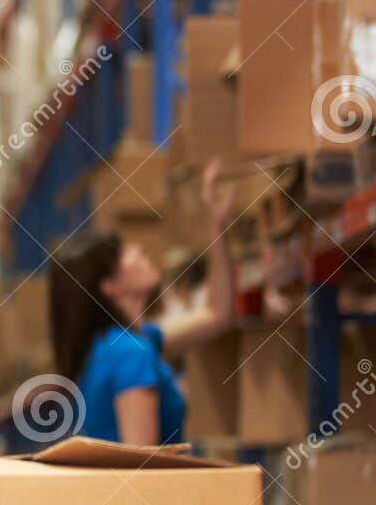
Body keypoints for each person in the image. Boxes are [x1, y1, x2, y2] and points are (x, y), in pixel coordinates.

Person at [47, 159, 236, 445]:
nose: (138, 249)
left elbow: (217, 314)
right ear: (110, 285)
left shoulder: (123, 344)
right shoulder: (130, 353)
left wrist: (216, 226)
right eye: (124, 252)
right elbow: (141, 467)